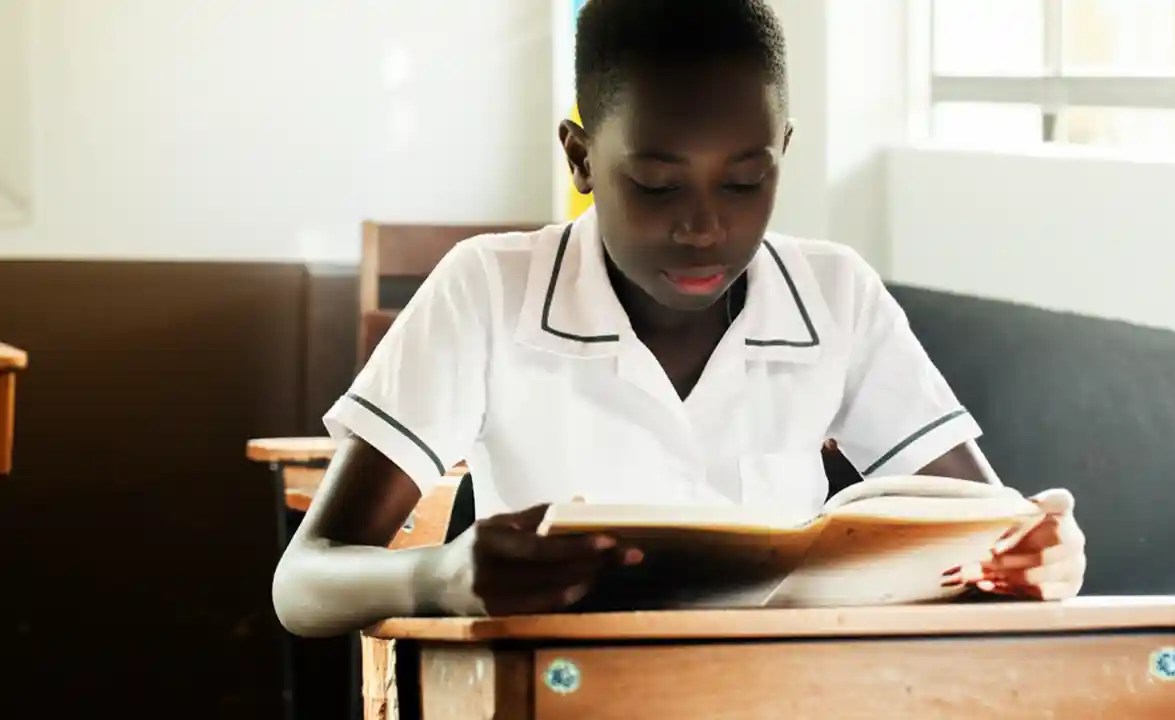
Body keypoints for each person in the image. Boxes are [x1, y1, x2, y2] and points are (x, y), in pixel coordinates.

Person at [272, 0, 1086, 638]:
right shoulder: (488, 289)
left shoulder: (836, 293)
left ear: (783, 154)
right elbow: (302, 583)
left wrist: (1041, 558)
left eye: (744, 183)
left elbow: (992, 532)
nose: (704, 227)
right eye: (659, 186)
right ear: (582, 158)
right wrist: (440, 578)